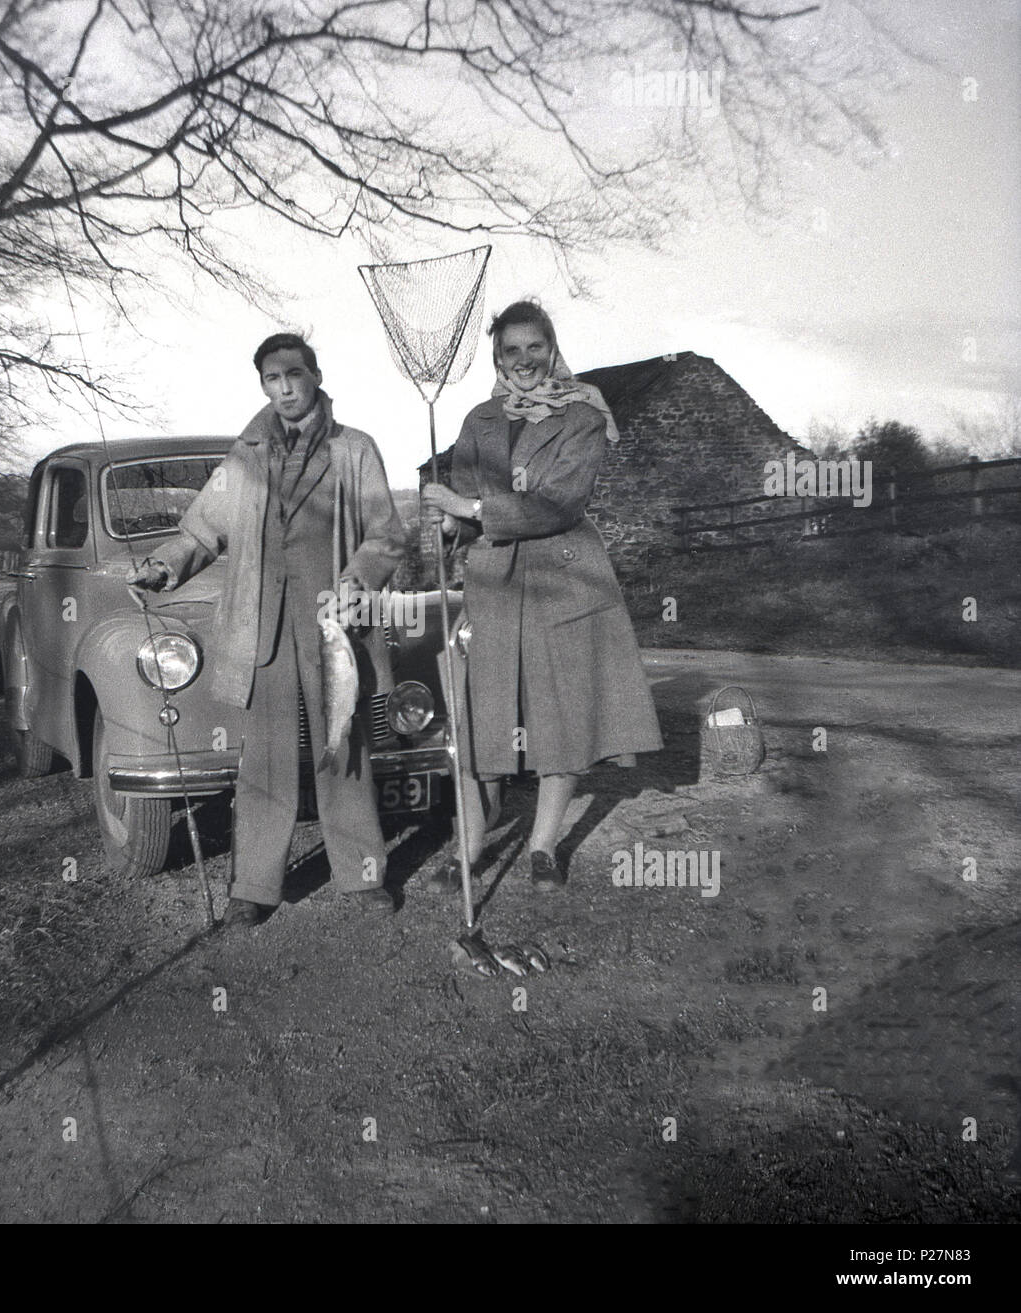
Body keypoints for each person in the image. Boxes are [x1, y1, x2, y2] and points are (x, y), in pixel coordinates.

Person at [128, 333, 407, 926]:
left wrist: (358, 578)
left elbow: (386, 536)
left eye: (294, 375)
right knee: (266, 760)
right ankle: (253, 887)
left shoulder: (354, 450)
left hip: (337, 628)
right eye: (271, 379)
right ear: (262, 384)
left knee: (345, 749)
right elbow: (203, 531)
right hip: (266, 629)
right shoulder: (246, 457)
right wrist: (162, 566)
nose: (283, 388)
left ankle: (361, 877)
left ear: (316, 375)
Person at [421, 300, 663, 890]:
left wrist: (471, 509)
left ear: (552, 349)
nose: (525, 360)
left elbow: (560, 503)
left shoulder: (583, 415)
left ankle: (543, 846)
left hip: (567, 580)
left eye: (535, 347)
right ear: (498, 358)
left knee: (561, 716)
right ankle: (471, 845)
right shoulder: (478, 419)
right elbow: (463, 495)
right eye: (512, 350)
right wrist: (452, 524)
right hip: (493, 581)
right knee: (482, 716)